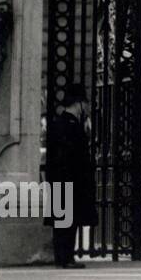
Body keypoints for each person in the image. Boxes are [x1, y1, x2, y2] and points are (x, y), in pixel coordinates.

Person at [44, 84, 97, 268]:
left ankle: (63, 257)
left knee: (62, 222)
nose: (88, 107)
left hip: (60, 180)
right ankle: (67, 257)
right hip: (70, 180)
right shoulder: (71, 126)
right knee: (69, 222)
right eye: (86, 103)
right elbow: (74, 158)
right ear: (79, 104)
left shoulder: (59, 123)